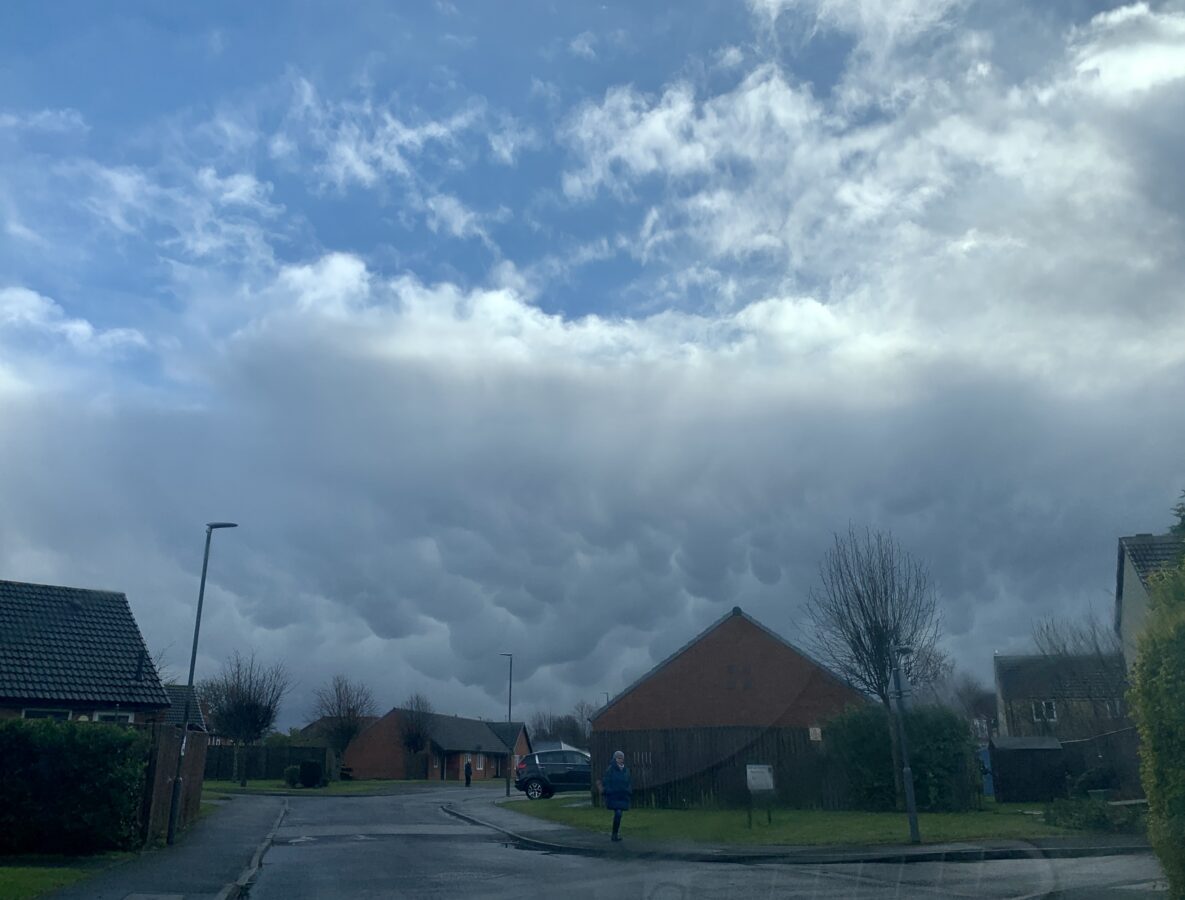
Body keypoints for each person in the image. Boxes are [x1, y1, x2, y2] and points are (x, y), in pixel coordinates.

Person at [598, 750, 631, 841]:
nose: (620, 760)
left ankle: (615, 833)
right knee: (618, 813)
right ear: (615, 759)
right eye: (618, 758)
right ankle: (614, 834)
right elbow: (606, 781)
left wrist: (628, 790)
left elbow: (628, 781)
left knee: (619, 814)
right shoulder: (611, 769)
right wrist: (609, 790)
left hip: (622, 794)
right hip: (614, 795)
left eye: (621, 758)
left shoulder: (625, 770)